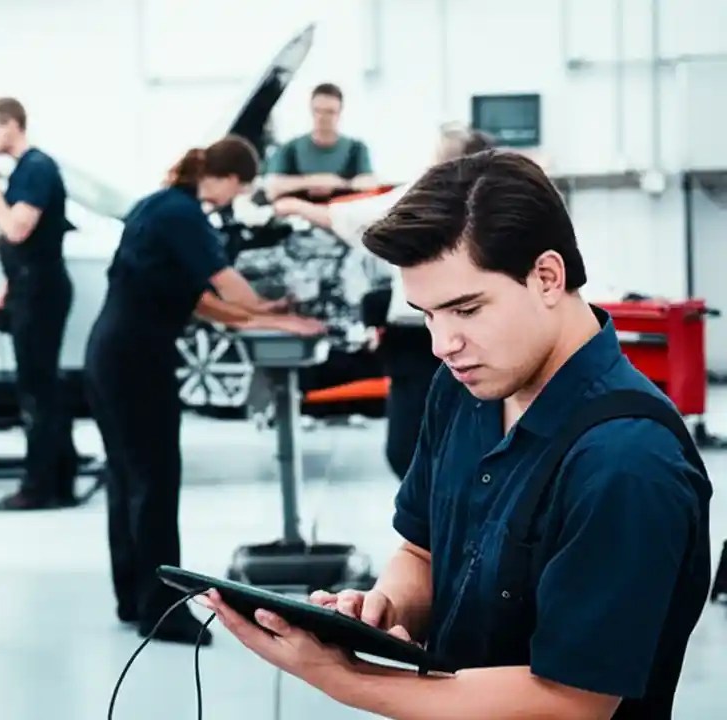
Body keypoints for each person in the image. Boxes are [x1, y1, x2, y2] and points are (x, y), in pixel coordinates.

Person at [205, 150, 713, 718]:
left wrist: (344, 678)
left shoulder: (627, 462)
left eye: (466, 310)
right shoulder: (465, 389)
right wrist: (384, 608)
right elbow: (422, 551)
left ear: (547, 277)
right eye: (427, 315)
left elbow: (573, 704)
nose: (441, 344)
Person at [86, 136, 325, 646]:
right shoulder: (184, 214)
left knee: (128, 479)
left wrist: (266, 315)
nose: (234, 199)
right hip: (135, 360)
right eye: (238, 188)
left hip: (111, 355)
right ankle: (162, 612)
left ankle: (134, 597)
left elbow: (199, 300)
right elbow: (225, 283)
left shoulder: (158, 205)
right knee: (154, 480)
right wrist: (277, 317)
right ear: (222, 178)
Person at [273, 123, 496, 480]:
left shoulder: (426, 194)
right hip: (479, 333)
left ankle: (435, 527)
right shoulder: (493, 202)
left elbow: (346, 216)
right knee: (468, 437)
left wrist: (292, 204)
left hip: (418, 334)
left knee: (409, 449)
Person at [0, 96, 81, 511]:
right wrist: (6, 290)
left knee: (38, 393)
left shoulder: (35, 169)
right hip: (28, 288)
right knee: (41, 388)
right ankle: (58, 478)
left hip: (41, 291)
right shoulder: (25, 171)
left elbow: (18, 229)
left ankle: (41, 485)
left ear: (11, 126)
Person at [263, 83, 378, 202]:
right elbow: (272, 186)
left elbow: (369, 183)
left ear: (339, 112)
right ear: (311, 110)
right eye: (318, 111)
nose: (323, 118)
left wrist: (338, 183)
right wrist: (314, 181)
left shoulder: (356, 148)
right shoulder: (290, 149)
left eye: (330, 112)